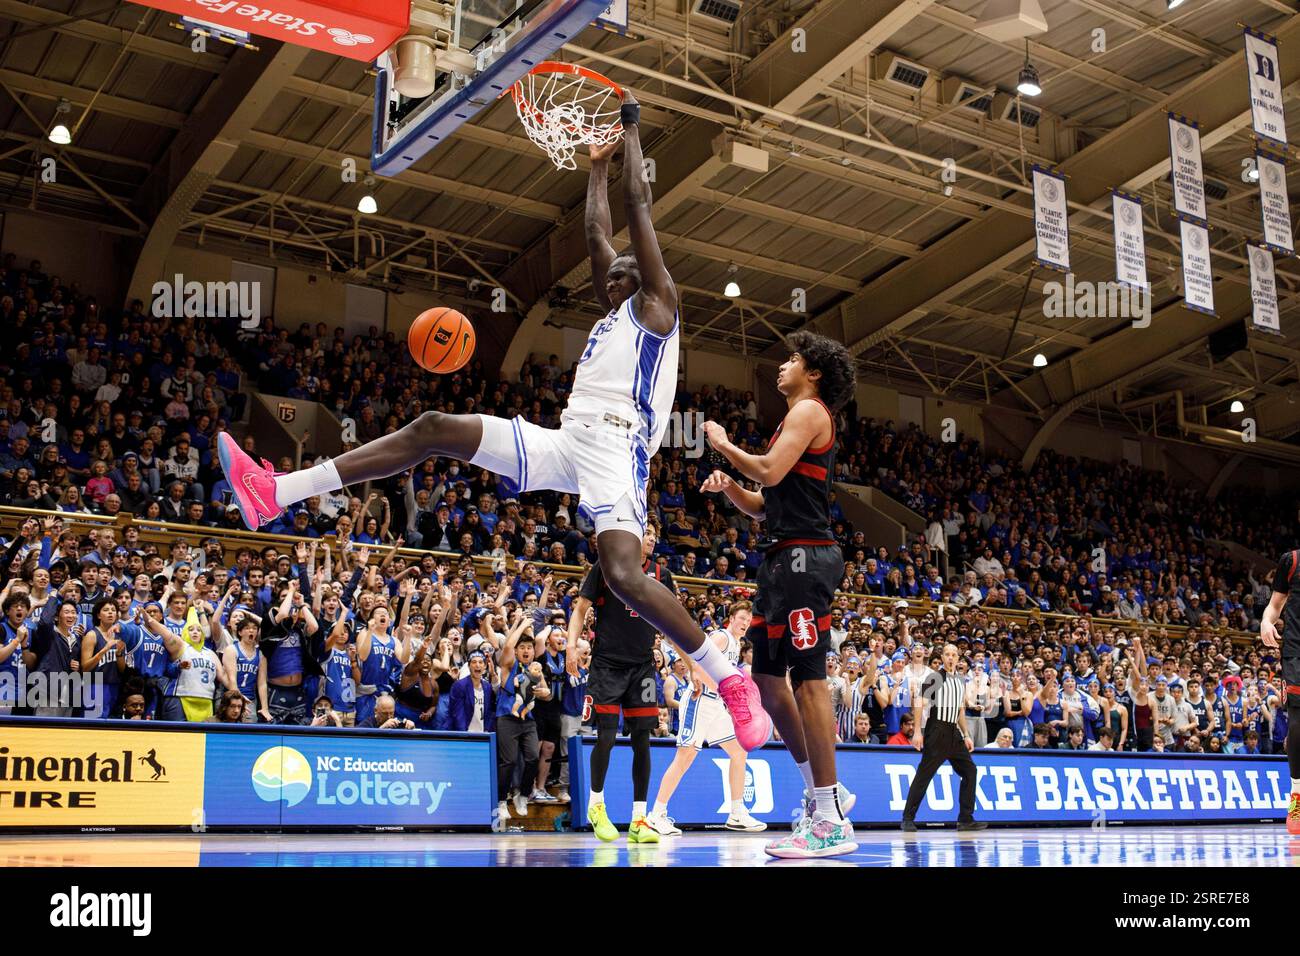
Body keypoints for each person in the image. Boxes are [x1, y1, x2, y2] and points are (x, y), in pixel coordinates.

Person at [216, 93, 769, 755]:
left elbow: (638, 208)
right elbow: (598, 236)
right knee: (430, 426)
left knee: (622, 574)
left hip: (618, 447)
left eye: (630, 265)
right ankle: (275, 492)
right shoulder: (612, 310)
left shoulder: (659, 306)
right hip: (568, 439)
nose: (617, 265)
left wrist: (631, 133)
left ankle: (728, 678)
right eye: (615, 270)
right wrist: (594, 165)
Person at [702, 330, 859, 858]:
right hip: (779, 557)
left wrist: (724, 445)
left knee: (809, 680)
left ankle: (832, 817)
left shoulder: (811, 412)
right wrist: (730, 487)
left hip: (806, 558)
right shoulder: (787, 423)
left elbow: (768, 470)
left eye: (792, 359)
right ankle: (824, 793)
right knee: (768, 683)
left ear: (813, 372)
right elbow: (765, 502)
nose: (782, 366)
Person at [570, 529, 671, 843]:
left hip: (642, 666)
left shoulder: (660, 574)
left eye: (654, 534)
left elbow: (672, 617)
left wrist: (689, 661)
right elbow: (581, 608)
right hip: (607, 665)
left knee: (643, 740)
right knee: (607, 735)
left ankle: (639, 819)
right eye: (646, 534)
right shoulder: (606, 565)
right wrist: (572, 646)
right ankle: (596, 805)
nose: (651, 539)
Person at [645, 602, 766, 836]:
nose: (745, 623)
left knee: (739, 752)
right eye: (742, 618)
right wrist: (728, 695)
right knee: (685, 756)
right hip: (699, 700)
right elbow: (697, 666)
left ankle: (737, 812)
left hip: (716, 704)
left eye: (748, 620)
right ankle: (656, 815)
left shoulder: (737, 643)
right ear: (730, 617)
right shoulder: (721, 637)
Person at [902, 643, 985, 832]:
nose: (950, 657)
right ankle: (907, 818)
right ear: (943, 657)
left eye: (953, 654)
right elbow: (919, 702)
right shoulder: (936, 677)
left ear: (958, 658)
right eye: (947, 654)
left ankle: (965, 819)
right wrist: (917, 732)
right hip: (937, 729)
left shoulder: (960, 681)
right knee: (924, 775)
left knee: (970, 771)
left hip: (954, 733)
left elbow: (959, 710)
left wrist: (966, 734)